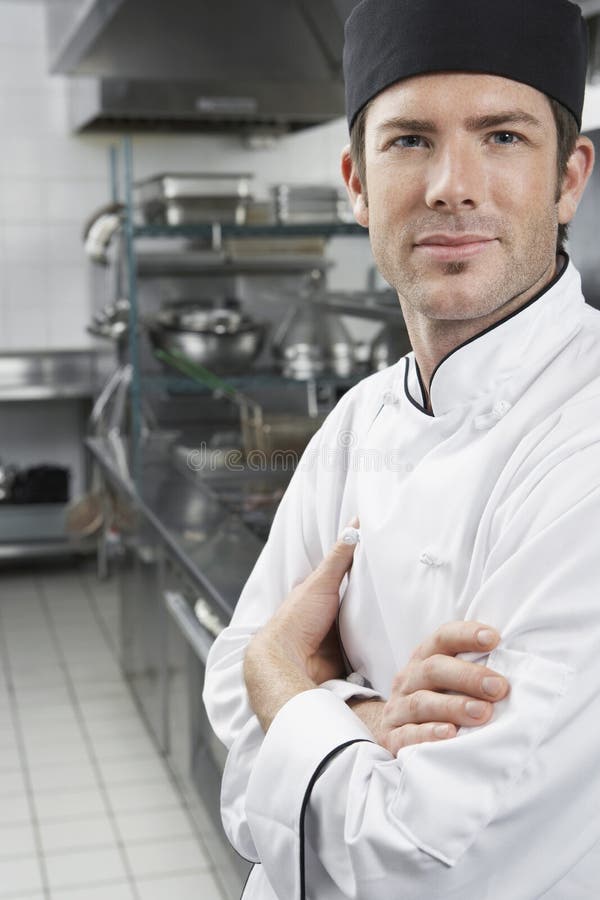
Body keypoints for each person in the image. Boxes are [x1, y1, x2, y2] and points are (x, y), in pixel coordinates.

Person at [203, 0, 600, 896]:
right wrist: (369, 719)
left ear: (569, 177)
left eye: (501, 136)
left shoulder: (588, 440)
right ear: (357, 182)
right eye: (410, 140)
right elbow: (229, 688)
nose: (450, 184)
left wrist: (288, 686)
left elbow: (422, 866)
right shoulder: (360, 418)